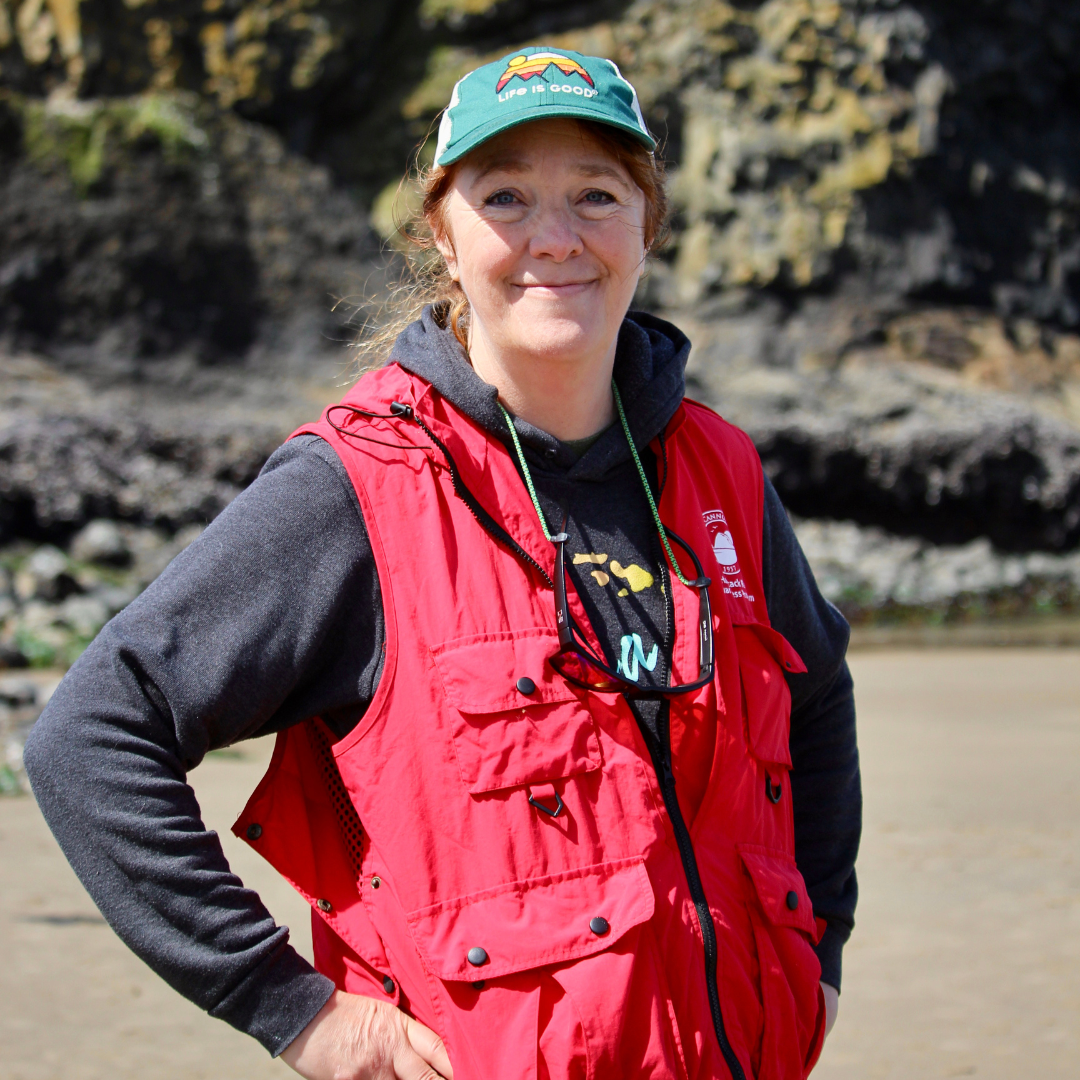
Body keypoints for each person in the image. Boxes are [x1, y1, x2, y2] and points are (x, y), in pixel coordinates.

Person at [25, 46, 860, 1080]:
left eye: (596, 195)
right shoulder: (359, 486)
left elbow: (814, 690)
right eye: (505, 197)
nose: (553, 239)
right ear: (444, 235)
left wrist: (819, 945)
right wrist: (296, 1013)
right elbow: (91, 736)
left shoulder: (718, 468)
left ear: (649, 224)